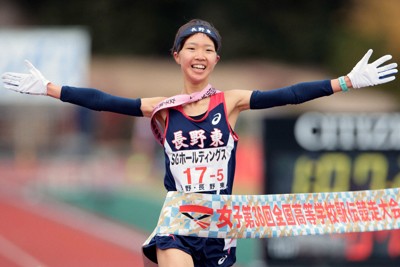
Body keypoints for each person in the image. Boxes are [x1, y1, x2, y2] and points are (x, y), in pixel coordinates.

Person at [1, 19, 398, 267]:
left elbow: (288, 94)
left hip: (220, 225)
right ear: (177, 56)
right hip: (177, 220)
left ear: (216, 60)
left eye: (208, 49)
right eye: (191, 47)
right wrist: (51, 89)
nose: (200, 54)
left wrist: (345, 82)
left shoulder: (232, 103)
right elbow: (105, 102)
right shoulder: (162, 108)